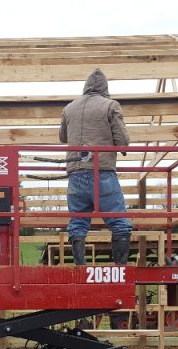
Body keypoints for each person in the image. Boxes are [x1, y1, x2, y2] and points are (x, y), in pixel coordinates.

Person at [59, 68, 132, 268]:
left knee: (78, 222)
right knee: (119, 222)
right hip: (102, 172)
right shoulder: (110, 105)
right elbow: (123, 142)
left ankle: (80, 267)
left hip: (75, 174)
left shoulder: (69, 108)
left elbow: (63, 137)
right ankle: (119, 269)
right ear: (105, 87)